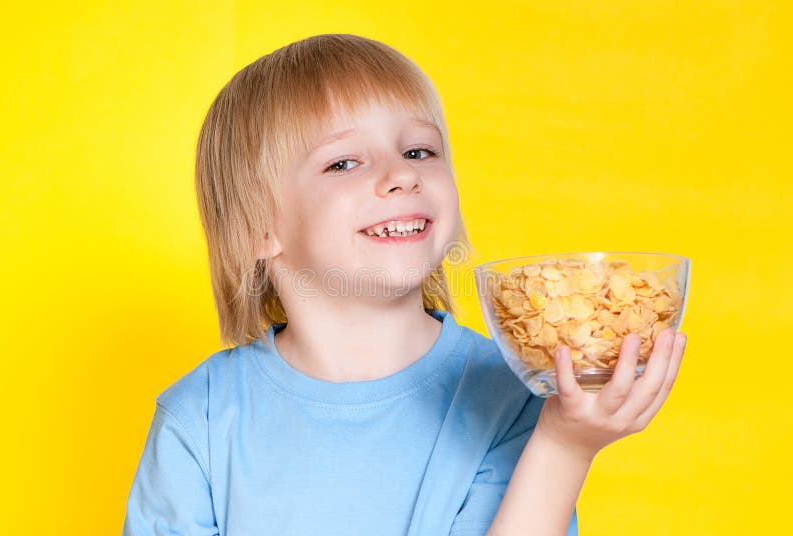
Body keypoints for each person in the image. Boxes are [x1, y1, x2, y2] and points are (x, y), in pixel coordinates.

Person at [122, 33, 687, 536]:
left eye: (419, 150)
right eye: (343, 163)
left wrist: (564, 447)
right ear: (258, 228)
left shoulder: (518, 397)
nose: (402, 175)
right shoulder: (198, 419)